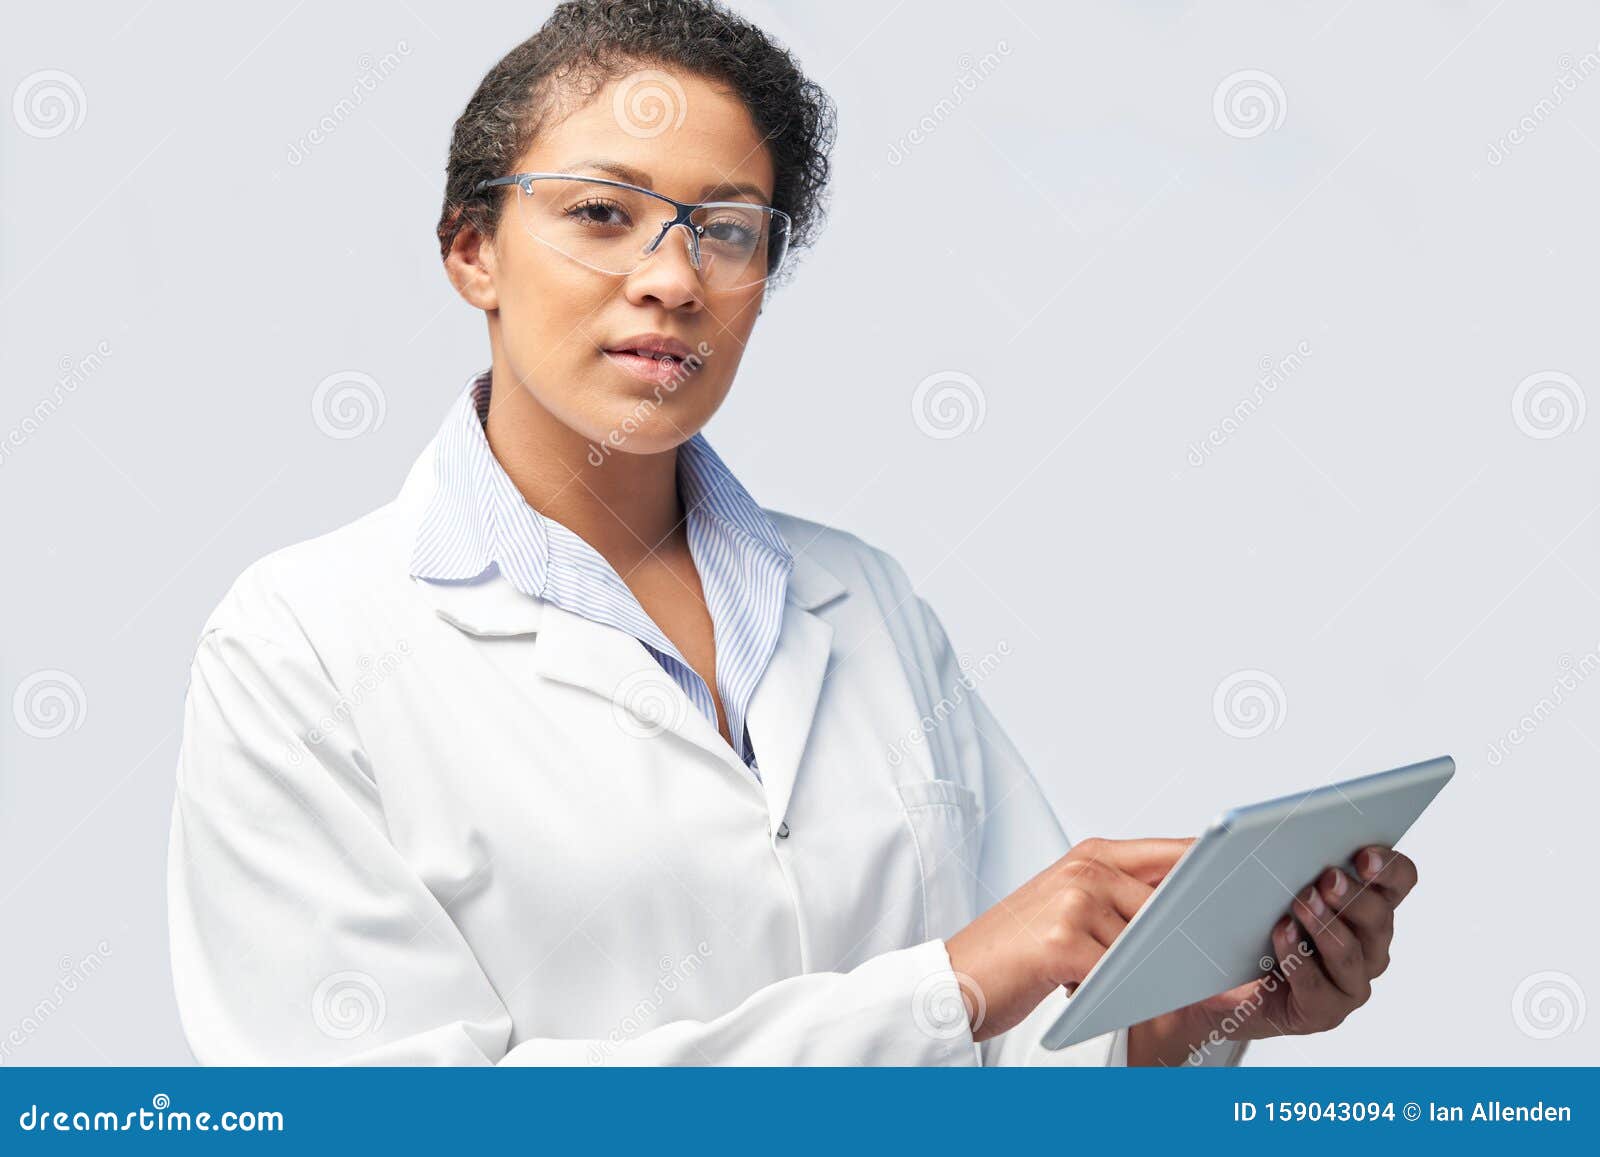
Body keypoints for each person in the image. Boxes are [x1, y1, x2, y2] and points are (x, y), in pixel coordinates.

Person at [167, 0, 1418, 1066]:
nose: (671, 276)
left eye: (727, 227)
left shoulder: (858, 599)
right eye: (602, 212)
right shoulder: (303, 646)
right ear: (471, 248)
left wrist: (1178, 1028)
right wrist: (945, 987)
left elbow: (1026, 1042)